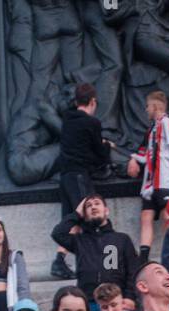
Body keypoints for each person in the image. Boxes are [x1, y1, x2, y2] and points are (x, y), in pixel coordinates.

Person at [54, 82, 116, 279]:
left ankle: (59, 261)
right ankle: (101, 261)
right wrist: (106, 146)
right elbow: (99, 156)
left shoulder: (67, 119)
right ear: (92, 101)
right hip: (80, 175)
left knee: (73, 219)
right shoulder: (91, 123)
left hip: (65, 177)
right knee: (89, 216)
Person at [50, 195, 138, 309]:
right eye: (88, 206)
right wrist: (77, 214)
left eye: (97, 203)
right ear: (84, 214)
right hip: (88, 303)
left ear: (106, 211)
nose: (93, 207)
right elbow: (57, 234)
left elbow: (133, 269)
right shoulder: (79, 240)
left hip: (115, 302)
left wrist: (130, 297)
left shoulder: (122, 239)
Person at [127, 89, 169, 261]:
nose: (146, 110)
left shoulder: (168, 124)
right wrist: (133, 159)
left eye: (147, 106)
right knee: (146, 216)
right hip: (149, 184)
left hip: (164, 180)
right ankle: (143, 258)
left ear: (155, 106)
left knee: (168, 216)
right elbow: (145, 154)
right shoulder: (151, 129)